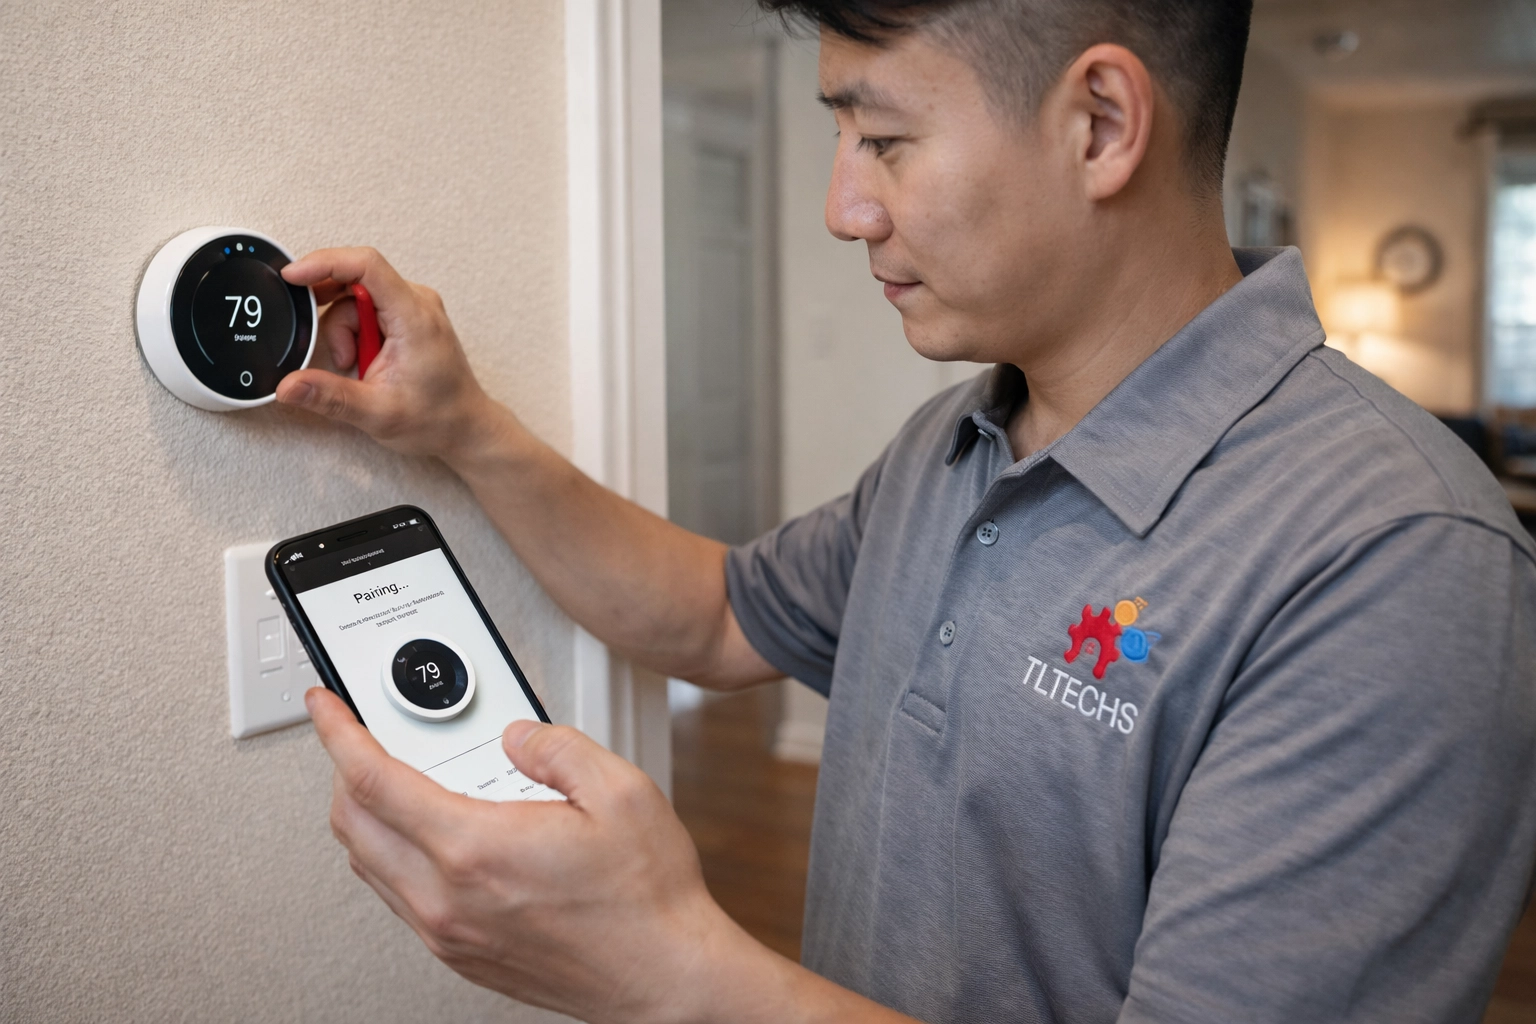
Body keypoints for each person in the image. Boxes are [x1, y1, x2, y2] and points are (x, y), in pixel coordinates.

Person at [275, 1, 1536, 1021]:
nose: (843, 208)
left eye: (881, 139)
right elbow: (715, 617)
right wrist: (465, 428)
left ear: (1101, 123)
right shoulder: (957, 439)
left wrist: (674, 971)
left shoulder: (1399, 564)